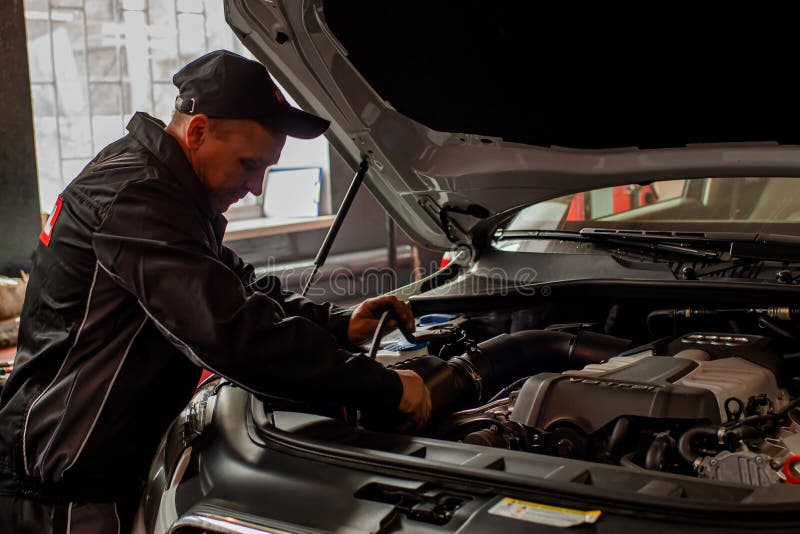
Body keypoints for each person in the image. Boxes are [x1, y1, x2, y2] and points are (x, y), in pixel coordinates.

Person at [0, 50, 431, 533]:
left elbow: (237, 284)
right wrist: (383, 388)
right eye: (249, 165)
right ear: (198, 131)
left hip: (99, 474)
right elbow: (229, 331)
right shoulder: (136, 195)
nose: (256, 188)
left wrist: (337, 324)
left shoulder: (163, 188)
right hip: (66, 491)